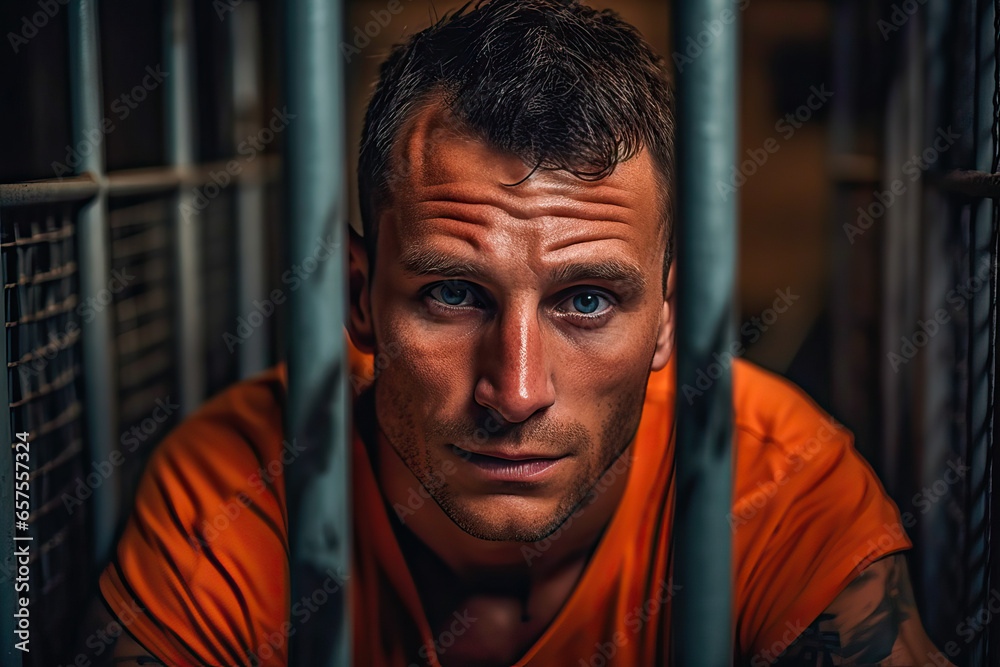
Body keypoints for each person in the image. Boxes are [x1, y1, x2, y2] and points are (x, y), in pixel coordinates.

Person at [98, 0, 952, 665]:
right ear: (358, 295)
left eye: (585, 301)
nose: (515, 390)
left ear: (668, 318)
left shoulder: (776, 484)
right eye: (454, 293)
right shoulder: (243, 486)